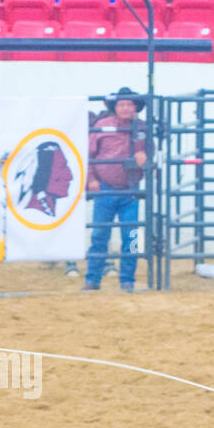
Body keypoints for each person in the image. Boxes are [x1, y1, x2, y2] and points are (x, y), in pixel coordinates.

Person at [84, 88, 152, 293]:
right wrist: (91, 179)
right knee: (99, 235)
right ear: (115, 107)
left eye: (129, 104)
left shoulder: (142, 128)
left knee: (130, 236)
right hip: (105, 187)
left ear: (135, 107)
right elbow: (88, 155)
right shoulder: (101, 126)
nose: (125, 108)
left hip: (130, 189)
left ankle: (127, 280)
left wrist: (146, 158)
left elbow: (152, 154)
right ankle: (93, 279)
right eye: (121, 104)